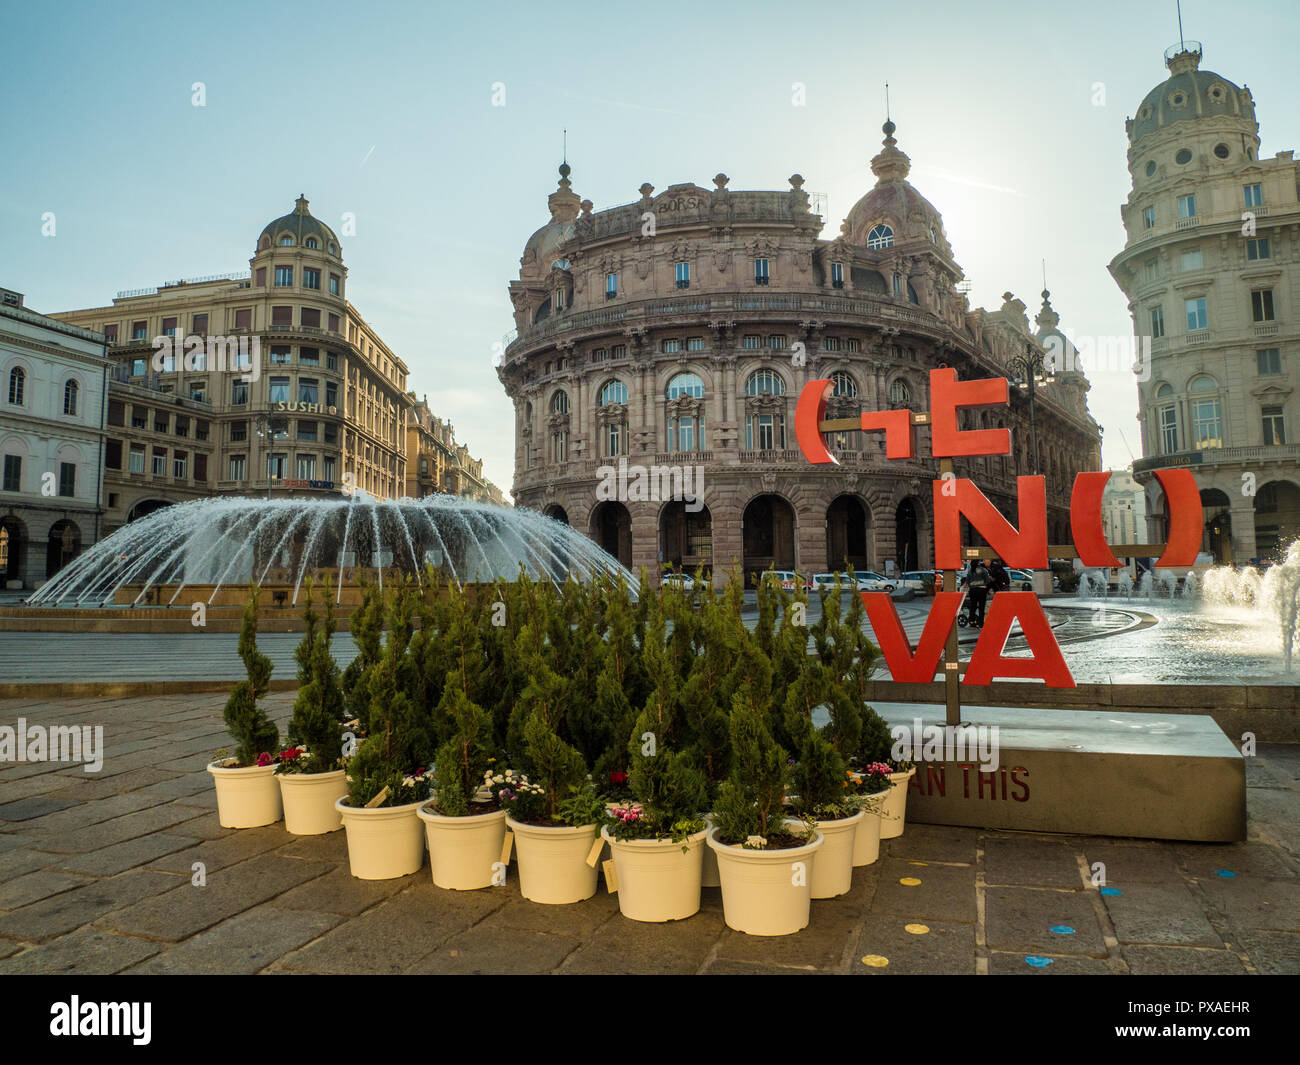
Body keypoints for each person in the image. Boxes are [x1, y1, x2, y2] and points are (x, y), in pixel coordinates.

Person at [966, 560, 991, 627]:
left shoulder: (970, 571)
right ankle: (980, 623)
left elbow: (967, 582)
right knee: (981, 607)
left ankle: (971, 622)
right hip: (982, 590)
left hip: (973, 590)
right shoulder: (983, 570)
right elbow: (988, 580)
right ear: (978, 563)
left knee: (973, 607)